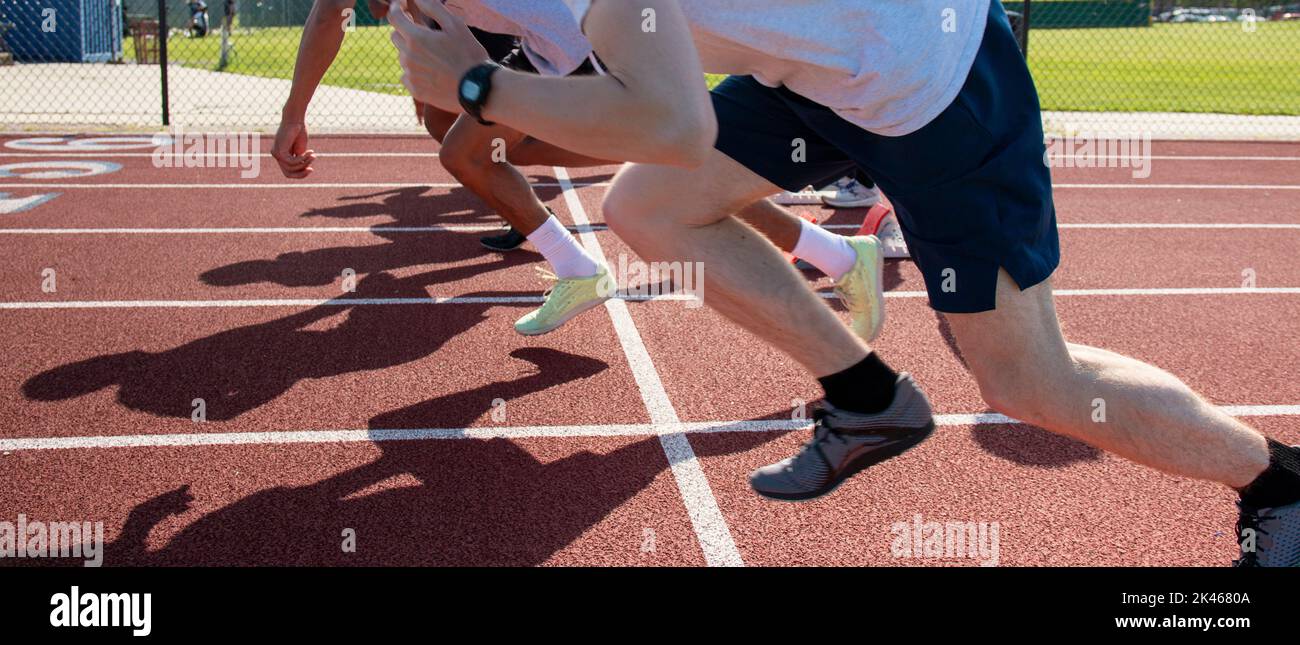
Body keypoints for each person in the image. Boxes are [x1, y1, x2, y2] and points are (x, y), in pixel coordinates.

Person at [390, 0, 1300, 565]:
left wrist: (474, 88)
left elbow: (663, 122)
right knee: (652, 207)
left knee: (1029, 382)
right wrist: (485, 104)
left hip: (925, 82)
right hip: (818, 71)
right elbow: (602, 123)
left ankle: (1279, 483)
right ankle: (870, 398)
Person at [274, 0, 884, 339]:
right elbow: (333, 14)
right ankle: (835, 254)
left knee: (469, 151)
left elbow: (336, 15)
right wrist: (294, 113)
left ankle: (579, 267)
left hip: (597, 42)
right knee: (655, 165)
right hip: (562, 47)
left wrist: (294, 115)